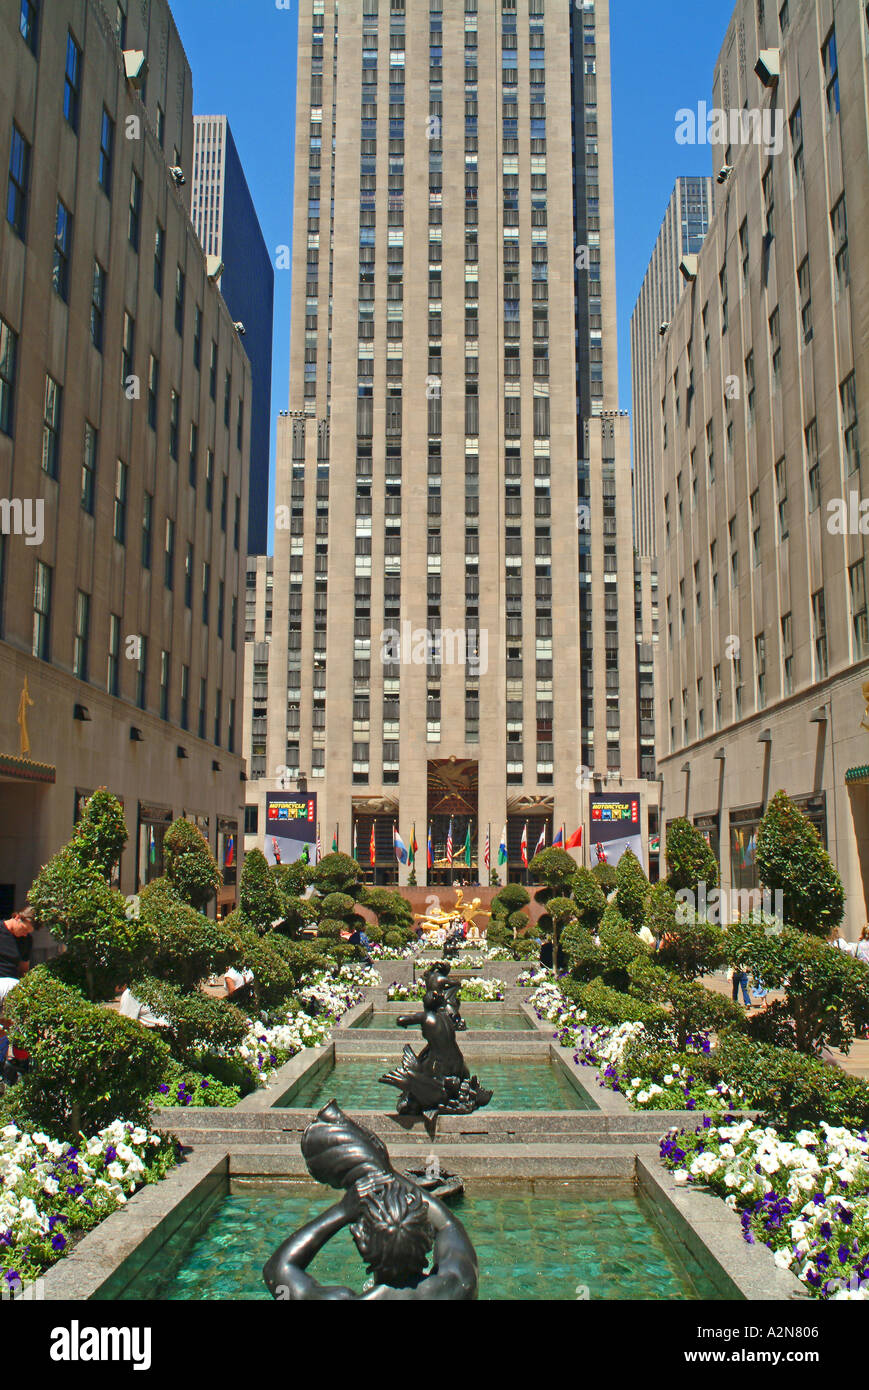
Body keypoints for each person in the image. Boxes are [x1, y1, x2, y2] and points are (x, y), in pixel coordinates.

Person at [0, 906, 35, 1006]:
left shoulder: (27, 940)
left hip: (13, 986)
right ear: (17, 917)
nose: (25, 934)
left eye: (28, 932)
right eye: (24, 929)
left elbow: (24, 969)